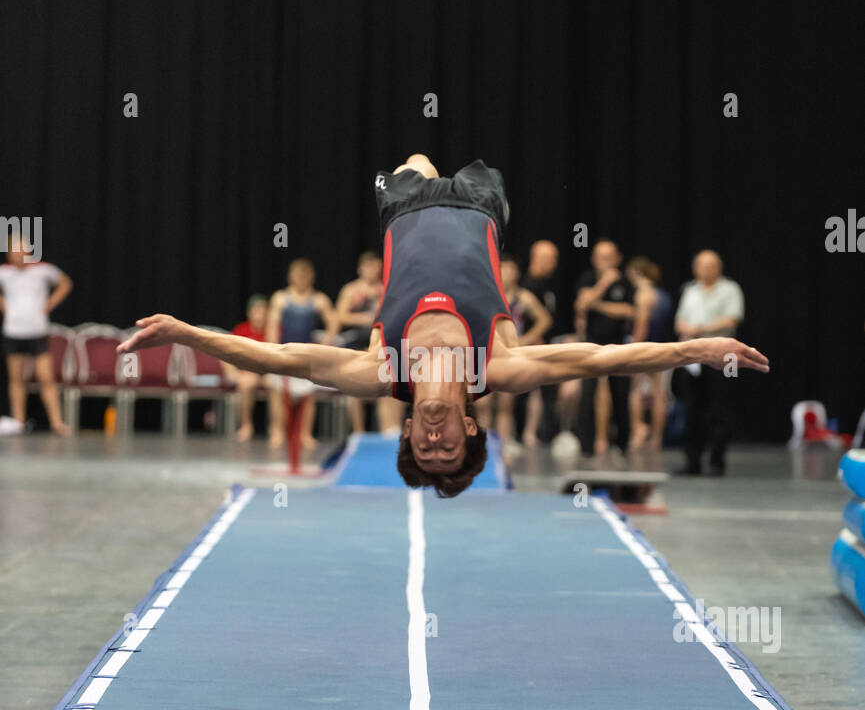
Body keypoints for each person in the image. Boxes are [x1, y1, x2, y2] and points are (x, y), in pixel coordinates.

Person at [117, 156, 769, 498]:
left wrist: (186, 332)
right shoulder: (499, 368)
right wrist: (698, 346)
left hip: (404, 211)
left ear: (405, 431)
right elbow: (603, 358)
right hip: (481, 209)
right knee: (481, 170)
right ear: (468, 429)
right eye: (447, 450)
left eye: (424, 451)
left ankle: (413, 167)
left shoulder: (380, 371)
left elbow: (280, 357)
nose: (433, 443)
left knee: (411, 159)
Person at [674, 249, 746, 475]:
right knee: (692, 409)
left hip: (722, 357)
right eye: (702, 265)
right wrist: (686, 330)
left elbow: (733, 318)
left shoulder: (730, 289)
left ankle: (716, 461)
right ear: (696, 268)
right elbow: (680, 321)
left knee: (719, 408)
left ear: (719, 268)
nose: (706, 270)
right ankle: (692, 461)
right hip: (694, 357)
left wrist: (702, 329)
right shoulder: (690, 290)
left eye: (711, 265)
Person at [0, 238, 73, 435]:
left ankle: (56, 422)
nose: (18, 255)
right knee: (16, 379)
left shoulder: (43, 270)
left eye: (21, 250)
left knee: (46, 377)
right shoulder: (4, 272)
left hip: (36, 331)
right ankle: (18, 421)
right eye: (14, 251)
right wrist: (4, 305)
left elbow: (65, 282)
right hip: (13, 332)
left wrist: (50, 303)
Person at [480, 254, 551, 453]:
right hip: (487, 352)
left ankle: (503, 440)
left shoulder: (523, 297)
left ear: (517, 274)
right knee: (483, 402)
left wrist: (527, 339)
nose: (507, 274)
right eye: (503, 269)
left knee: (505, 402)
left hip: (510, 351)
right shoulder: (486, 295)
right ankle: (484, 439)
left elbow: (545, 319)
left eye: (511, 270)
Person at [265, 259, 336, 451]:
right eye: (298, 275)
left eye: (305, 276)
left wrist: (325, 345)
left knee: (308, 395)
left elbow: (333, 322)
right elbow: (272, 325)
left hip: (307, 353)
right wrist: (273, 350)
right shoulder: (280, 298)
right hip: (285, 350)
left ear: (311, 278)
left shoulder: (319, 299)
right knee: (278, 392)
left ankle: (305, 433)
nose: (301, 280)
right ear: (291, 276)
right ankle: (278, 431)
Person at [575, 240, 635, 455]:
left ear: (617, 258)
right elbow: (581, 305)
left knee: (620, 392)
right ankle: (587, 446)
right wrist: (603, 285)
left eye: (609, 257)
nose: (605, 262)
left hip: (618, 345)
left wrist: (597, 304)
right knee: (587, 393)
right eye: (601, 257)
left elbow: (629, 311)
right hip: (591, 344)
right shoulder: (588, 278)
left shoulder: (625, 281)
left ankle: (621, 444)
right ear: (593, 258)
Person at [332, 251, 401, 435]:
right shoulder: (351, 290)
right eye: (368, 267)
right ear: (361, 269)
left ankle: (389, 428)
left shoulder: (387, 289)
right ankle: (359, 430)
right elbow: (339, 316)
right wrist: (365, 317)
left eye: (375, 267)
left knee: (391, 379)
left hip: (380, 344)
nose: (372, 271)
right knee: (356, 384)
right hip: (355, 343)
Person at [626, 257, 674, 450]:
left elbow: (642, 326)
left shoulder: (643, 293)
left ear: (635, 273)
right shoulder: (662, 294)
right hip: (662, 348)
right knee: (660, 394)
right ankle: (657, 438)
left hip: (646, 348)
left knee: (636, 392)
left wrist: (633, 348)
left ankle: (638, 430)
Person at [518, 240, 559, 447]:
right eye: (551, 259)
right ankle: (528, 433)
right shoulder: (527, 288)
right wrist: (530, 339)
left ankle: (539, 433)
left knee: (542, 392)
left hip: (542, 348)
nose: (554, 264)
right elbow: (526, 319)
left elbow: (546, 319)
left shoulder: (545, 287)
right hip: (528, 351)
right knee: (530, 391)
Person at [220, 295, 275, 442]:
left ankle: (277, 429)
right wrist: (232, 372)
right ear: (249, 313)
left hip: (270, 372)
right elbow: (223, 351)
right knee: (246, 383)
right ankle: (246, 426)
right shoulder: (241, 329)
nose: (259, 316)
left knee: (277, 385)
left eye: (263, 312)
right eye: (256, 312)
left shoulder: (274, 330)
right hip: (249, 372)